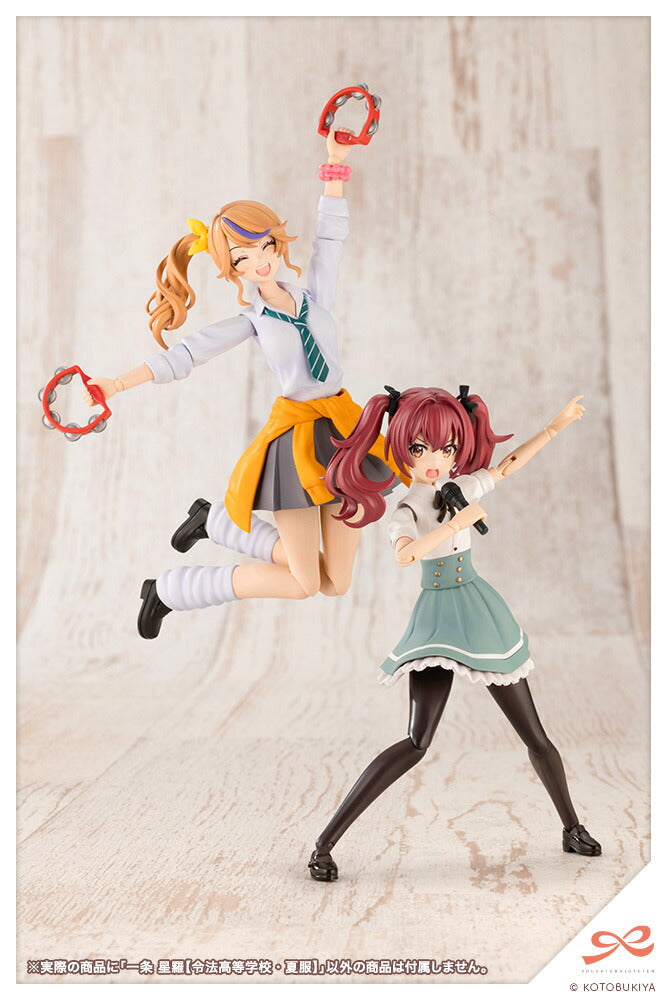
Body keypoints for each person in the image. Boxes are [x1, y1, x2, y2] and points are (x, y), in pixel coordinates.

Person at [83, 129, 407, 638]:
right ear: (231, 270)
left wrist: (335, 163)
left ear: (277, 240)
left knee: (335, 582)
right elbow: (187, 354)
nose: (259, 260)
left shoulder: (314, 296)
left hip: (345, 428)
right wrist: (116, 385)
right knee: (303, 582)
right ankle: (170, 589)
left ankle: (213, 523)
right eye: (242, 258)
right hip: (296, 441)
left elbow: (329, 237)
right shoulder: (252, 321)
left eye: (264, 246)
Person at [308, 385, 601, 882]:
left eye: (446, 449)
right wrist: (451, 526)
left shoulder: (459, 486)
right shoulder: (408, 508)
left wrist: (554, 427)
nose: (435, 461)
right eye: (420, 449)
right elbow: (405, 554)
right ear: (403, 450)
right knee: (416, 741)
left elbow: (506, 466)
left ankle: (572, 827)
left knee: (534, 734)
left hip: (480, 612)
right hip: (437, 620)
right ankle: (324, 843)